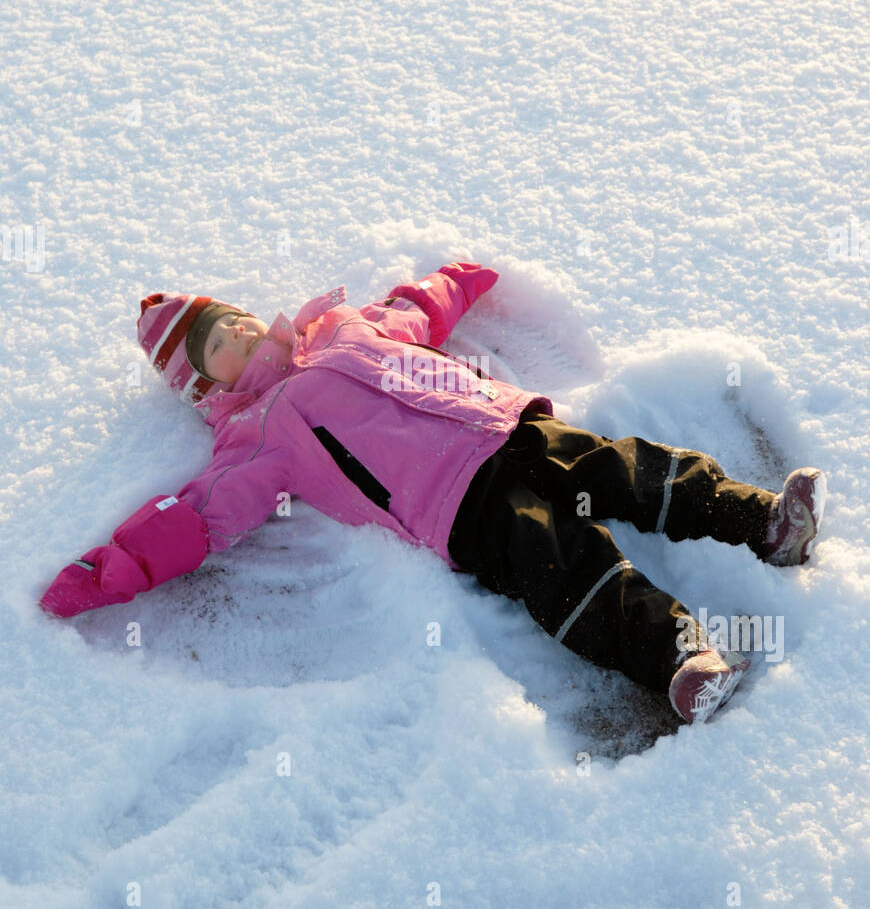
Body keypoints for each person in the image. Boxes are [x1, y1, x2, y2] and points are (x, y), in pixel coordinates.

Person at [38, 262, 826, 726]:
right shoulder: (256, 440)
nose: (240, 339)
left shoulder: (342, 328)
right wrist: (107, 571)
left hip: (511, 428)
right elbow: (201, 519)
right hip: (457, 509)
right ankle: (683, 661)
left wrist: (460, 278)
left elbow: (414, 312)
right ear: (204, 384)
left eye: (235, 323)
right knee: (567, 570)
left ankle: (764, 522)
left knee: (629, 469)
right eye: (218, 347)